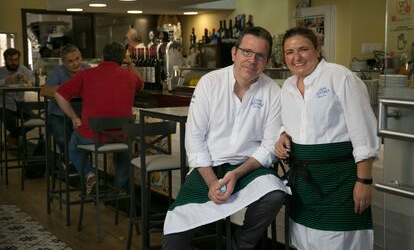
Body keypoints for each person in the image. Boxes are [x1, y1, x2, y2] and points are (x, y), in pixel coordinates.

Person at [163, 27, 289, 250]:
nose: (252, 60)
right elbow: (194, 137)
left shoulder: (273, 92)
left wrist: (237, 172)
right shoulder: (209, 83)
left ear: (267, 61)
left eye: (260, 55)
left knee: (275, 193)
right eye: (247, 52)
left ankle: (241, 244)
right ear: (234, 53)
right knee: (175, 233)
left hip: (249, 168)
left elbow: (269, 146)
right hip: (208, 167)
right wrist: (212, 182)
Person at [275, 27, 380, 250]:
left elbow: (363, 132)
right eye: (289, 52)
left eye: (303, 49)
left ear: (317, 49)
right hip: (304, 187)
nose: (296, 57)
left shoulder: (340, 77)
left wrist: (364, 181)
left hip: (340, 182)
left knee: (339, 241)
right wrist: (282, 134)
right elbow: (292, 122)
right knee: (303, 242)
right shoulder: (287, 86)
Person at [54, 42, 144, 194]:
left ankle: (90, 175)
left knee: (73, 148)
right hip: (120, 136)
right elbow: (141, 86)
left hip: (91, 136)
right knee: (124, 153)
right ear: (123, 58)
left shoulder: (86, 74)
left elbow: (59, 94)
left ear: (103, 57)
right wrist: (131, 64)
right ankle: (118, 190)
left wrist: (74, 117)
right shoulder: (130, 75)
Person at [40, 44, 90, 153]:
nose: (76, 63)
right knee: (63, 138)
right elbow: (44, 91)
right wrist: (68, 87)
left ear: (81, 57)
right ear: (64, 62)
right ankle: (71, 162)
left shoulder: (87, 68)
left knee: (88, 140)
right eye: (71, 61)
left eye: (78, 59)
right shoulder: (59, 71)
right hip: (58, 114)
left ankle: (78, 164)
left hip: (81, 114)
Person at [0, 48, 33, 147]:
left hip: (20, 103)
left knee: (34, 120)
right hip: (4, 103)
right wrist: (5, 81)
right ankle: (14, 137)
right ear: (5, 60)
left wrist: (27, 80)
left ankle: (12, 136)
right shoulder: (1, 71)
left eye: (16, 60)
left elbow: (33, 81)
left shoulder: (23, 69)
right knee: (10, 122)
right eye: (10, 60)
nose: (13, 62)